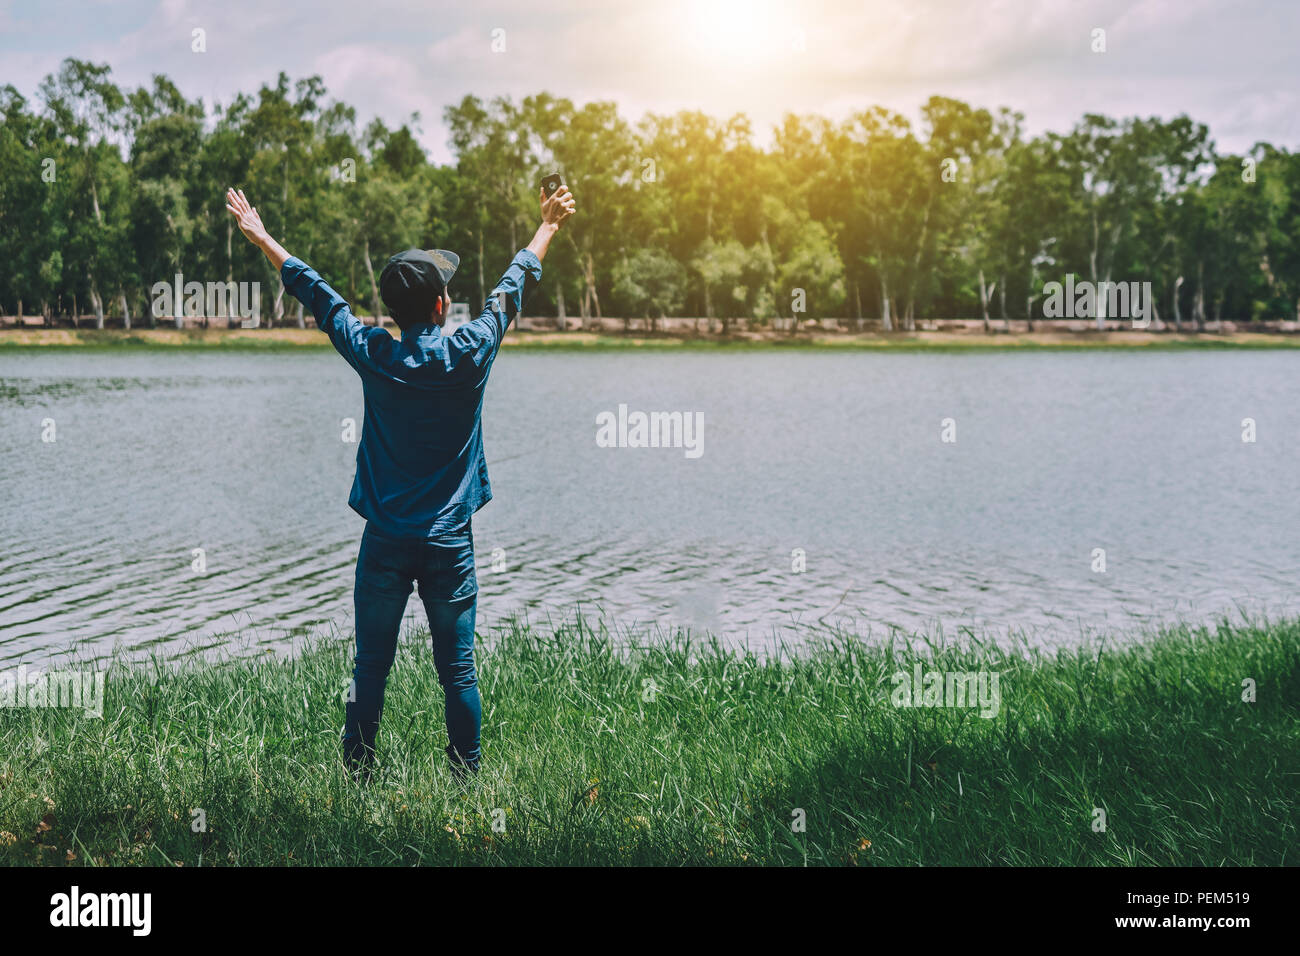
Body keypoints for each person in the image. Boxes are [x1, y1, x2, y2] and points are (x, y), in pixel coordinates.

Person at [225, 182, 576, 781]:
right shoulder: (470, 354)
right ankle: (466, 779)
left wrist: (262, 238)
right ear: (442, 307)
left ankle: (359, 777)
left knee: (370, 667)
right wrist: (548, 225)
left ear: (394, 312)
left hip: (386, 541)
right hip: (449, 544)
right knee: (458, 670)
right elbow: (510, 289)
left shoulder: (376, 354)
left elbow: (322, 298)